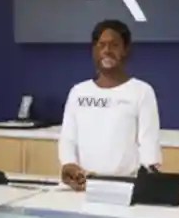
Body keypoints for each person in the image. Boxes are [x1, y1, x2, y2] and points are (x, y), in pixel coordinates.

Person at [58, 19, 162, 191]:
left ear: (126, 50)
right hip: (82, 189)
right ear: (94, 51)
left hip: (125, 188)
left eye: (114, 45)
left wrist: (147, 185)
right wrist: (69, 165)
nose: (107, 51)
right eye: (101, 45)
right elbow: (68, 138)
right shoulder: (78, 92)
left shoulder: (141, 91)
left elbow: (149, 144)